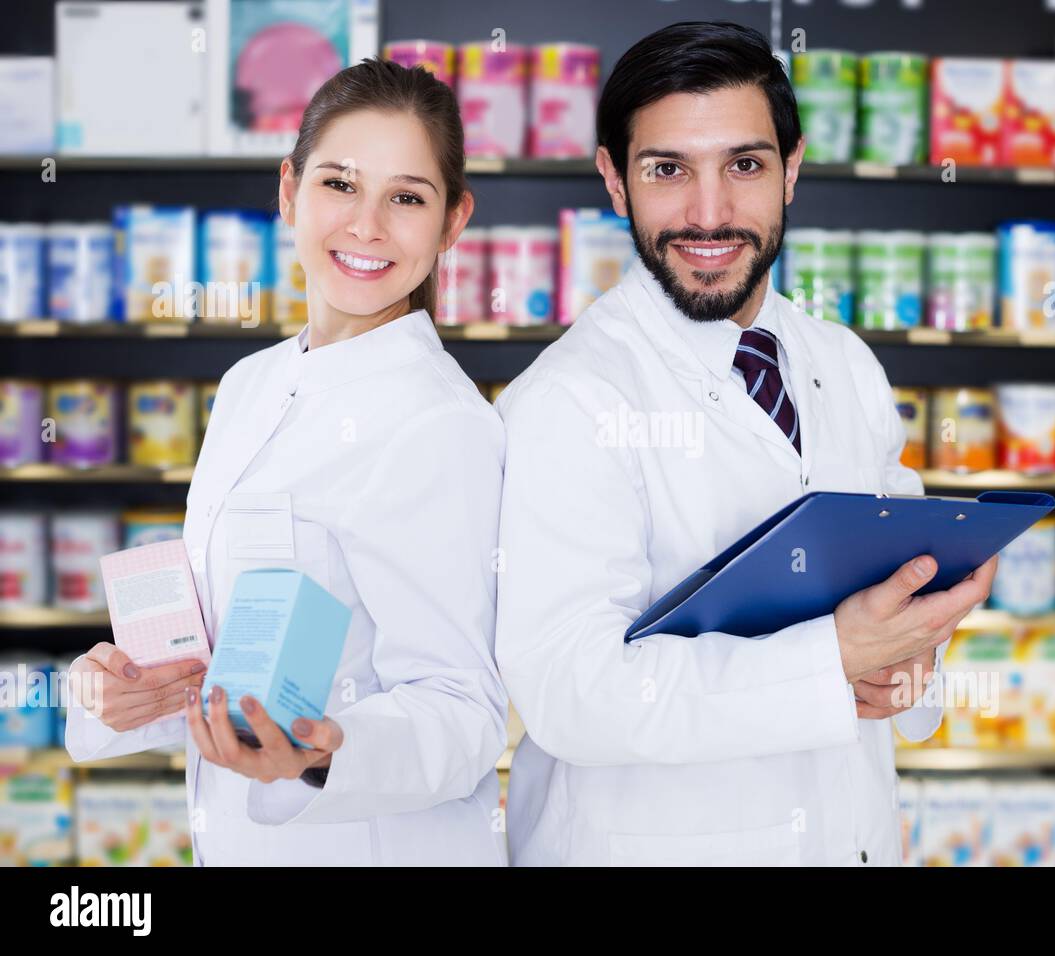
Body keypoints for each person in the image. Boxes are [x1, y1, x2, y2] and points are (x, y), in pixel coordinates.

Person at [494, 21, 996, 866]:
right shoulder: (569, 399)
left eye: (745, 164)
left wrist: (904, 660)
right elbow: (570, 694)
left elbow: (904, 599)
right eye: (667, 170)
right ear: (614, 182)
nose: (709, 213)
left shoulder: (844, 364)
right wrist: (834, 657)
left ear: (791, 171)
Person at [66, 59, 509, 866]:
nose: (368, 226)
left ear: (452, 223)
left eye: (407, 197)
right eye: (340, 184)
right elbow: (217, 657)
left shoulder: (443, 426)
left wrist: (321, 752)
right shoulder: (249, 385)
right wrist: (120, 692)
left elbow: (465, 712)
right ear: (288, 191)